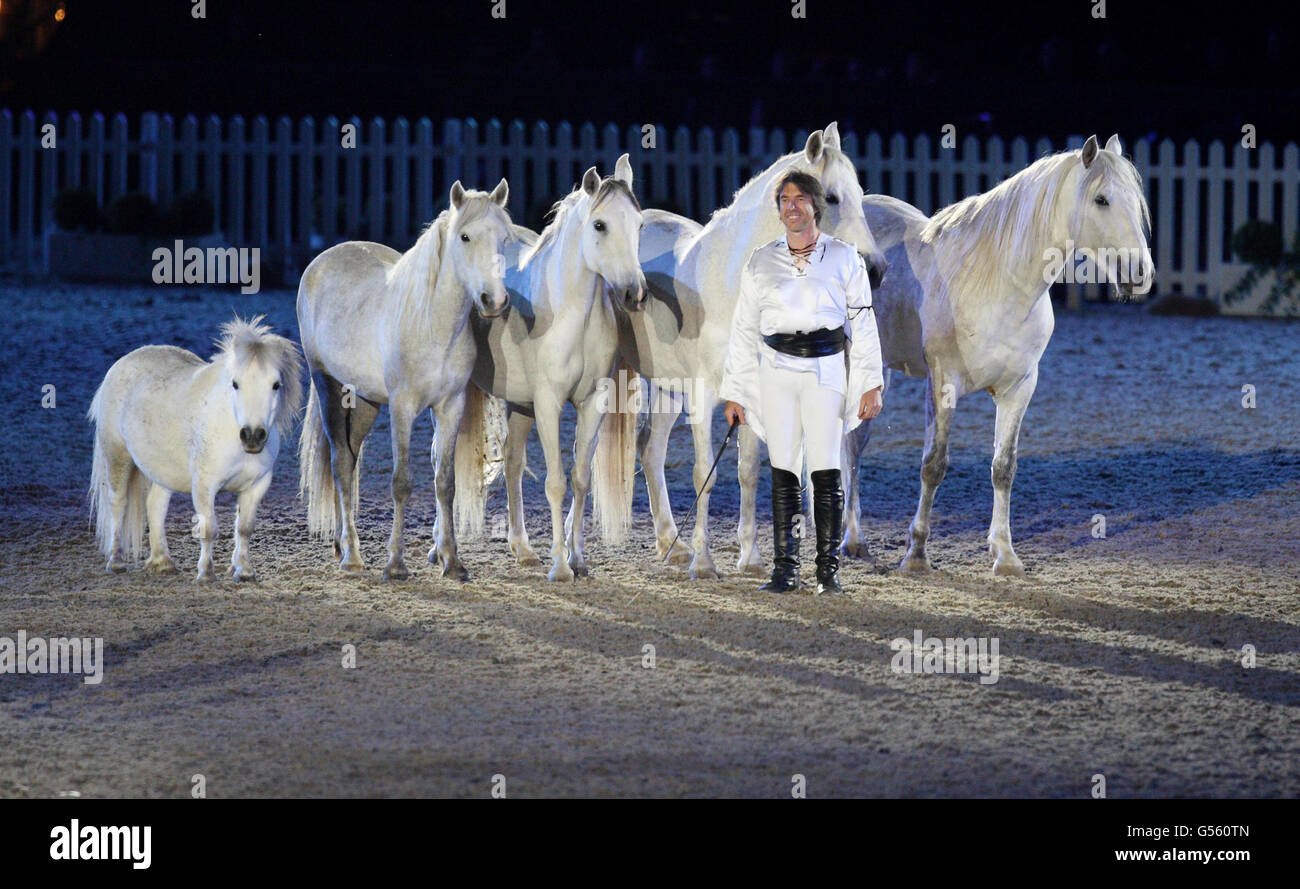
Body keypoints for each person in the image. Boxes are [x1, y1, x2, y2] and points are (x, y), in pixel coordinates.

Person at [719, 171, 884, 594]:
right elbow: (743, 329)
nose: (791, 206)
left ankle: (828, 571)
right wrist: (735, 392)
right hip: (776, 370)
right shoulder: (761, 260)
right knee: (785, 471)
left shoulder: (844, 257)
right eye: (784, 200)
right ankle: (786, 569)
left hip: (825, 369)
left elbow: (863, 322)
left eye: (800, 198)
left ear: (815, 205)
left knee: (825, 469)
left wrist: (871, 382)